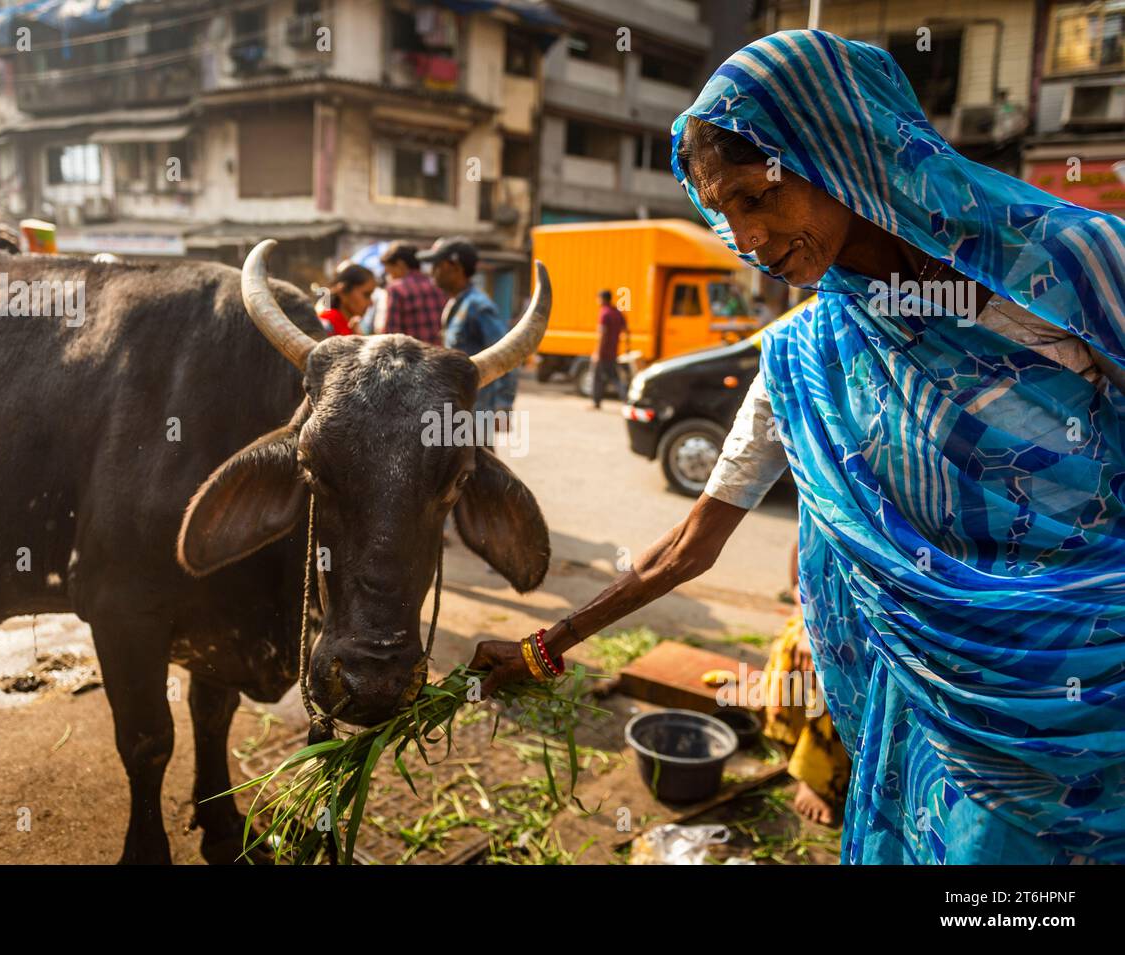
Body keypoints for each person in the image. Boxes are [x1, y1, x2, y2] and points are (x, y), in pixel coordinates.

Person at [471, 30, 1125, 864]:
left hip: (1095, 700)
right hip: (933, 724)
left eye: (755, 196)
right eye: (725, 214)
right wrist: (543, 643)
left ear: (840, 147)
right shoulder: (806, 358)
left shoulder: (1064, 266)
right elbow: (688, 544)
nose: (744, 237)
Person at [761, 541, 851, 826]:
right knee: (816, 663)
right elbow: (799, 573)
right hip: (819, 620)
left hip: (881, 631)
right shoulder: (836, 503)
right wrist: (809, 624)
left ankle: (827, 774)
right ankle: (809, 765)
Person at [420, 237, 515, 427]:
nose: (432, 272)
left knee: (479, 455)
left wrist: (502, 407)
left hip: (478, 412)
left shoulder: (479, 306)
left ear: (455, 267)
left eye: (437, 265)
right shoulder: (456, 303)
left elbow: (507, 355)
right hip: (459, 408)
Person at [377, 241, 445, 345]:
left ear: (400, 264)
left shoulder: (396, 289)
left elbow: (391, 336)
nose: (389, 277)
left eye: (389, 271)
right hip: (439, 355)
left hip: (411, 357)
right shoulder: (438, 286)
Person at [590, 289, 629, 409]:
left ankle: (596, 403)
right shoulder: (617, 312)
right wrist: (628, 347)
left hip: (604, 353)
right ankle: (626, 399)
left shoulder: (604, 313)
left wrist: (597, 353)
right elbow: (626, 330)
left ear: (602, 299)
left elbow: (602, 335)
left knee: (598, 378)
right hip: (613, 351)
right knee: (614, 378)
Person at [317, 262, 375, 337]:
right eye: (366, 295)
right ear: (343, 292)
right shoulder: (326, 326)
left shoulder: (348, 327)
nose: (371, 303)